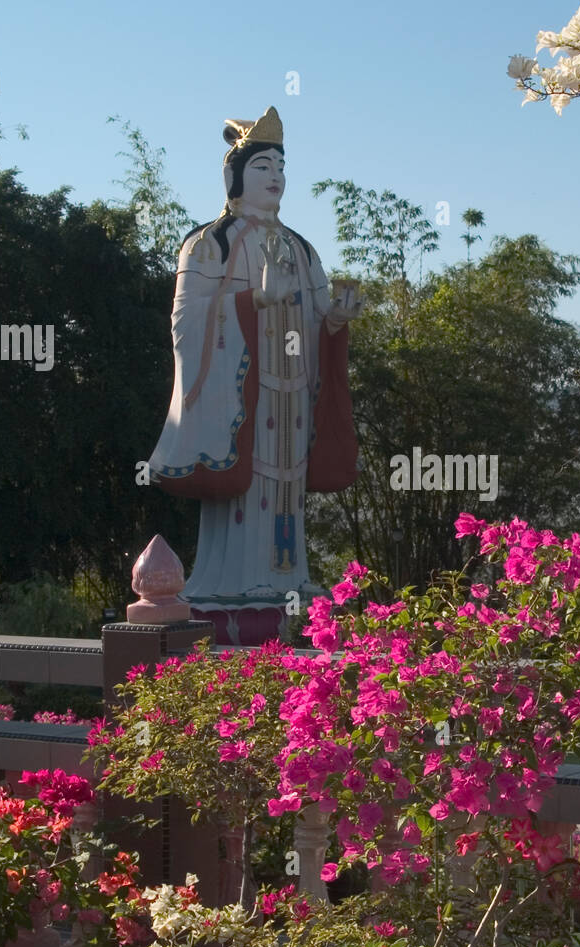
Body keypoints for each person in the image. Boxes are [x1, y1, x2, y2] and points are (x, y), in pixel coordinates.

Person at [147, 107, 362, 640]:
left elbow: (315, 320)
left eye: (281, 168)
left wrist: (334, 321)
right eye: (263, 165)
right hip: (241, 397)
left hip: (291, 403)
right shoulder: (209, 243)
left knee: (285, 492)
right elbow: (186, 319)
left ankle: (290, 580)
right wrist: (252, 301)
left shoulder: (301, 249)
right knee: (243, 497)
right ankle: (233, 584)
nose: (275, 177)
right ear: (234, 175)